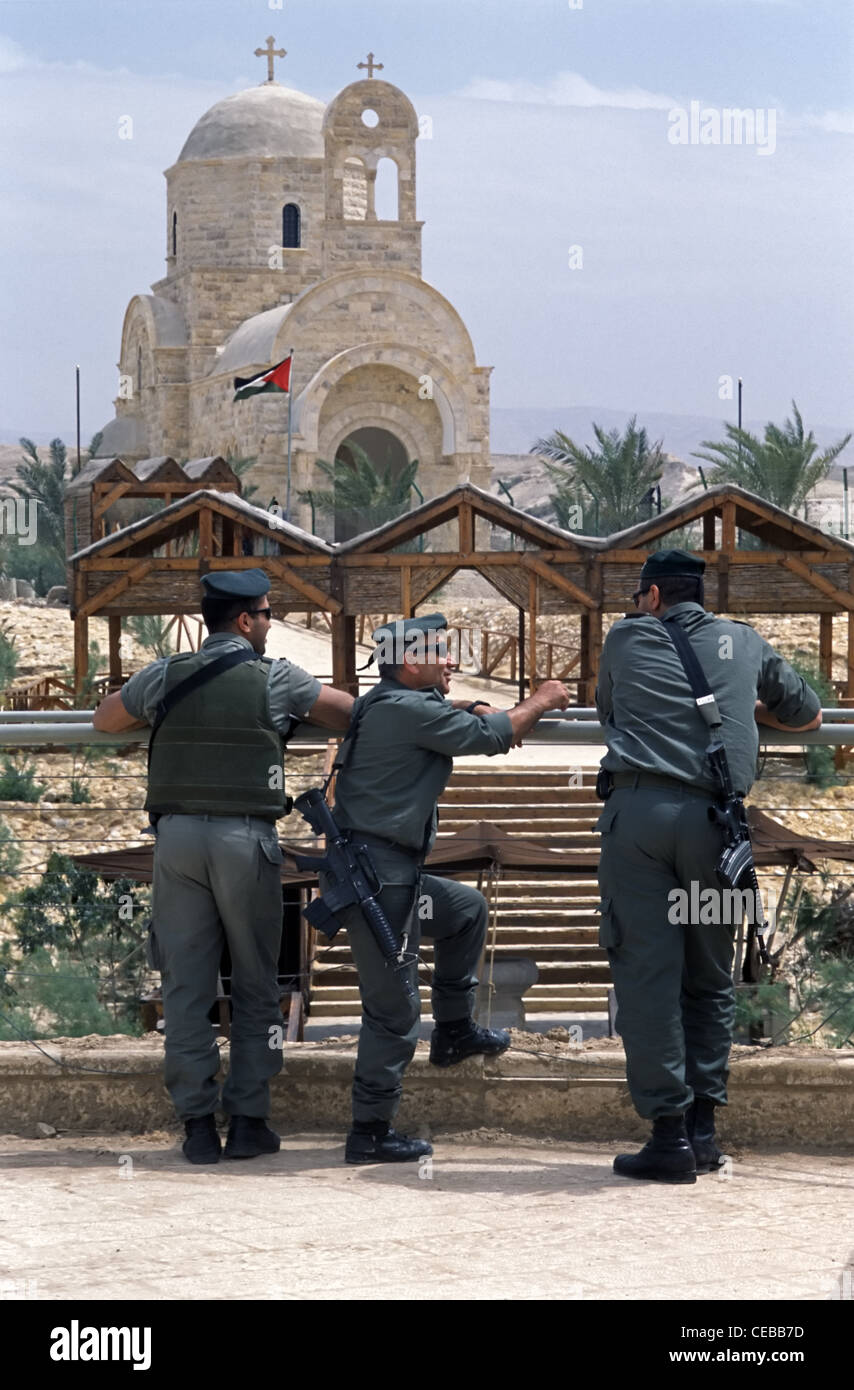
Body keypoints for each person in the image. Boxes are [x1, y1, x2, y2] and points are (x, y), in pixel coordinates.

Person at [93, 570, 353, 1165]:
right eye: (266, 614)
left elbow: (105, 720)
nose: (269, 623)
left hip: (176, 840)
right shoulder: (276, 678)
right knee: (257, 984)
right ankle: (247, 1121)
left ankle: (196, 1128)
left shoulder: (166, 673)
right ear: (245, 621)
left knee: (186, 987)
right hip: (246, 839)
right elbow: (348, 713)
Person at [595, 549, 822, 1184]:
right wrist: (743, 709)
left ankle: (666, 1136)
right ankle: (703, 1132)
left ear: (654, 597)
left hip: (639, 824)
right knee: (709, 976)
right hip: (717, 830)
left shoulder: (626, 636)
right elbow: (808, 716)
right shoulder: (744, 641)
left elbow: (608, 710)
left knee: (648, 977)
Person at [328, 612, 572, 1164]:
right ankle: (369, 1132)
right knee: (392, 1012)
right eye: (441, 652)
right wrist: (540, 699)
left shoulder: (388, 703)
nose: (452, 662)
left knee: (464, 908)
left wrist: (469, 703)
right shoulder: (406, 710)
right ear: (411, 662)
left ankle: (455, 1031)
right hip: (379, 881)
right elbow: (494, 737)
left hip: (390, 873)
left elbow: (449, 714)